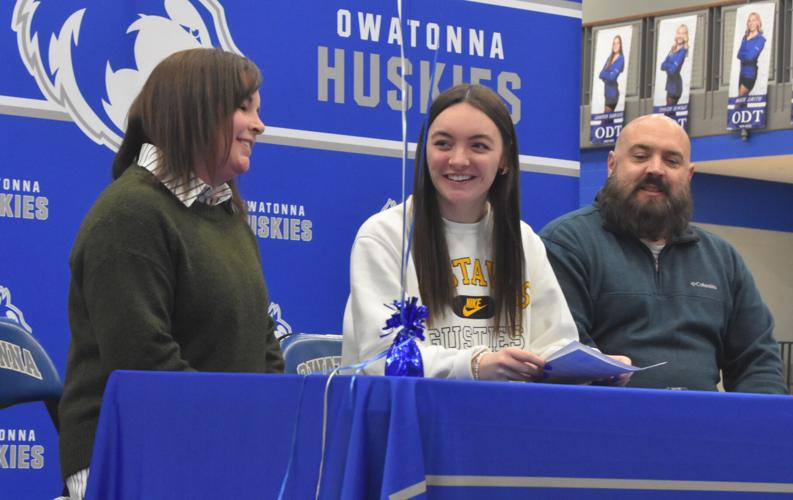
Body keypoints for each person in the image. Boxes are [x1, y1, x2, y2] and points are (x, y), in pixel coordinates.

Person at [58, 48, 284, 499]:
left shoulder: (227, 214)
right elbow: (146, 365)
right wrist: (243, 428)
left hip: (217, 450)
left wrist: (267, 426)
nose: (260, 125)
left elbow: (265, 346)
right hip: (128, 457)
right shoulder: (129, 215)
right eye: (244, 108)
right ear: (196, 109)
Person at [342, 84, 602, 381]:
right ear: (425, 152)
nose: (458, 160)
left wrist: (592, 369)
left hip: (502, 419)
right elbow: (383, 359)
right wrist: (475, 365)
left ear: (504, 159)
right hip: (409, 422)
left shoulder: (524, 240)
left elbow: (555, 344)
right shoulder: (383, 237)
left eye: (478, 146)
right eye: (443, 144)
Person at [540, 114, 786, 393]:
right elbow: (566, 352)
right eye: (641, 156)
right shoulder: (567, 242)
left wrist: (760, 429)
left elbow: (757, 362)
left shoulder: (722, 259)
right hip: (604, 426)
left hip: (704, 427)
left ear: (688, 175)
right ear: (612, 165)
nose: (655, 169)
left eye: (671, 161)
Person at [736, 12, 766, 97]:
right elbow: (739, 55)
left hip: (750, 74)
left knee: (739, 99)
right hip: (741, 73)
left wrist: (745, 54)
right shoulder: (745, 37)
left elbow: (751, 57)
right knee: (742, 101)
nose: (751, 23)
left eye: (753, 20)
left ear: (758, 23)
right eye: (749, 21)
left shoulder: (760, 40)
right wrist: (746, 54)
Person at [660, 24, 689, 107]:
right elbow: (662, 66)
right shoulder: (672, 49)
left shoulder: (682, 51)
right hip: (669, 85)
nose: (680, 36)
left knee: (669, 114)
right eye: (679, 33)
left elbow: (673, 70)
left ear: (686, 36)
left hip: (675, 87)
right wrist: (670, 65)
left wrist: (668, 65)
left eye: (683, 33)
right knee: (669, 113)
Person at [599, 35, 625, 113]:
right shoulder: (609, 58)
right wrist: (608, 75)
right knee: (609, 120)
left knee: (605, 120)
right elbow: (600, 74)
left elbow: (612, 77)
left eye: (618, 43)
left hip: (613, 95)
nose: (616, 45)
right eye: (614, 43)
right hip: (606, 94)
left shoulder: (621, 59)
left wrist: (606, 75)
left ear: (620, 45)